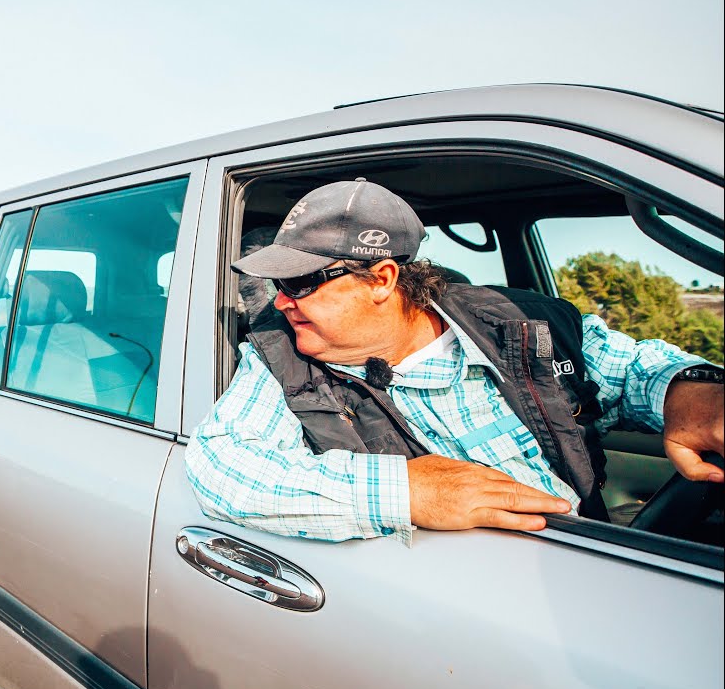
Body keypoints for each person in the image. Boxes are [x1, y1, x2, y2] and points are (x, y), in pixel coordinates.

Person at [186, 178, 724, 546]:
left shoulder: (525, 323)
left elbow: (638, 370)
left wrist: (689, 389)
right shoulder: (278, 359)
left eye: (299, 283)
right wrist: (407, 490)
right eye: (278, 284)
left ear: (382, 280)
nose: (280, 302)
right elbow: (222, 467)